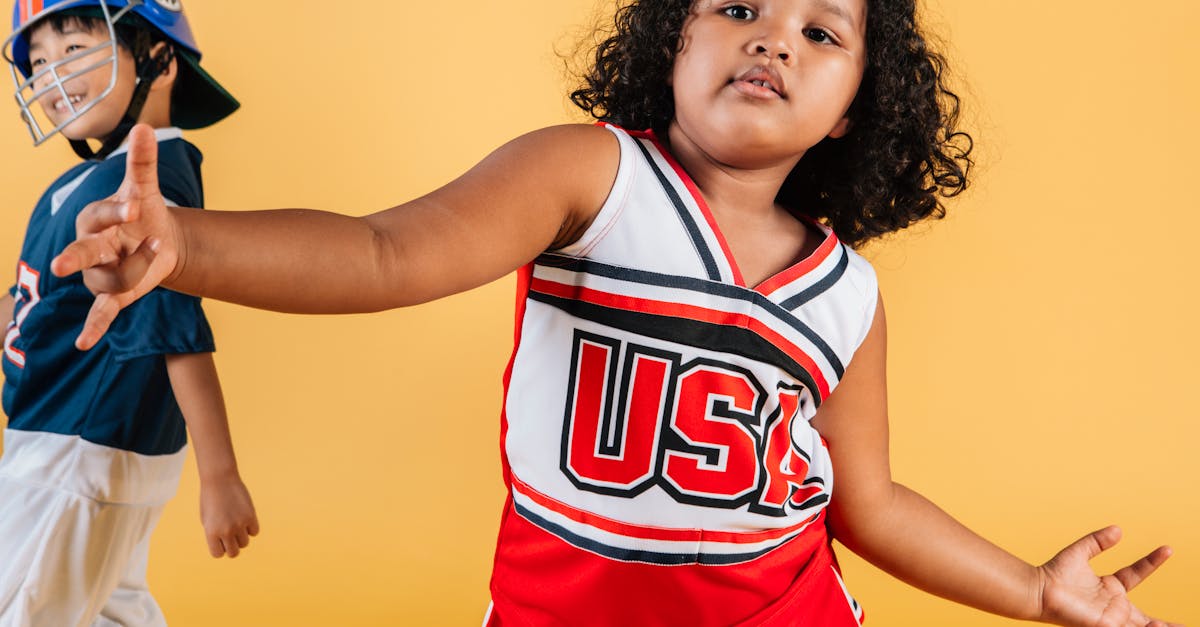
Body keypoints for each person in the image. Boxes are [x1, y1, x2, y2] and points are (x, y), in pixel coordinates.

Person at [51, 0, 1179, 625]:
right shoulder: (591, 175)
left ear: (853, 112)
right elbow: (387, 250)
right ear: (671, 39)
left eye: (820, 31)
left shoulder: (846, 295)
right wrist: (190, 247)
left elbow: (867, 500)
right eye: (738, 6)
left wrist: (1032, 589)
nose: (773, 36)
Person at [0, 1, 258, 625]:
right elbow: (35, 302)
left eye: (73, 50)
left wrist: (219, 473)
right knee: (107, 605)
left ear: (160, 59)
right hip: (65, 436)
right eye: (36, 61)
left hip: (80, 443)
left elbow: (176, 328)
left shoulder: (144, 186)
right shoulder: (87, 180)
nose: (49, 74)